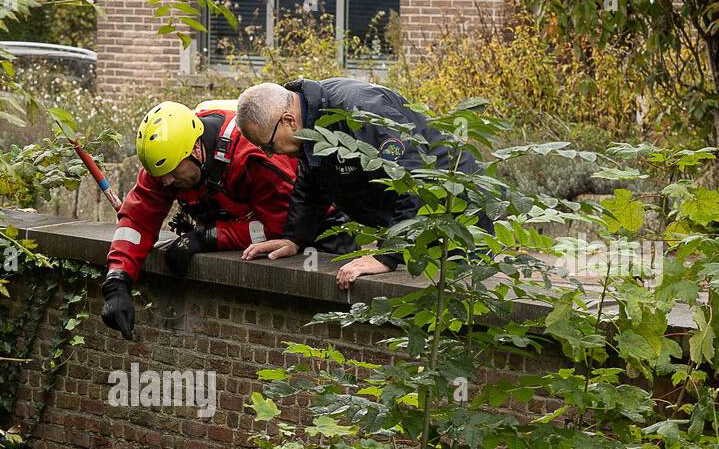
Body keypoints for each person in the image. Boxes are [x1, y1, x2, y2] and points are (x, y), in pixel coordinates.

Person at [236, 79, 488, 289]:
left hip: (458, 210)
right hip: (417, 219)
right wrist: (294, 239)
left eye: (268, 145)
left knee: (461, 295)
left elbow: (412, 180)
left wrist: (388, 256)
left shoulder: (360, 111)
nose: (269, 154)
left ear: (288, 120)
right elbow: (312, 184)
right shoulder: (310, 122)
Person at [99, 99, 299, 340]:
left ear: (195, 149)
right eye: (161, 176)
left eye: (172, 173)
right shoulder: (166, 161)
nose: (167, 182)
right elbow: (137, 220)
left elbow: (281, 228)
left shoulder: (252, 156)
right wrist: (117, 281)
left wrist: (210, 236)